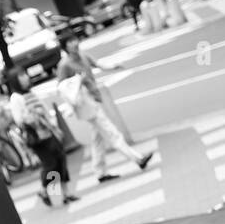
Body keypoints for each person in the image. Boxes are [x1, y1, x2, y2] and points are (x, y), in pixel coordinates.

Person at [56, 39, 153, 179]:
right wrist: (77, 82)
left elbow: (98, 64)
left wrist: (114, 66)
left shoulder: (83, 55)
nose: (75, 45)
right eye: (70, 43)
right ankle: (138, 159)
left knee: (98, 139)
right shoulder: (64, 65)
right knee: (111, 133)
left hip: (93, 99)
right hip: (86, 104)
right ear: (65, 47)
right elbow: (62, 88)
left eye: (75, 41)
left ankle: (100, 172)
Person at [7, 71, 77, 206]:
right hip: (36, 137)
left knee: (60, 160)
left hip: (48, 132)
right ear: (16, 81)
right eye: (21, 77)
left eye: (25, 75)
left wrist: (53, 125)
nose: (25, 78)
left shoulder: (30, 93)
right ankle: (45, 190)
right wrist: (33, 115)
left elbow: (44, 109)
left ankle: (64, 193)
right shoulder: (16, 98)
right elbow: (19, 120)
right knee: (51, 164)